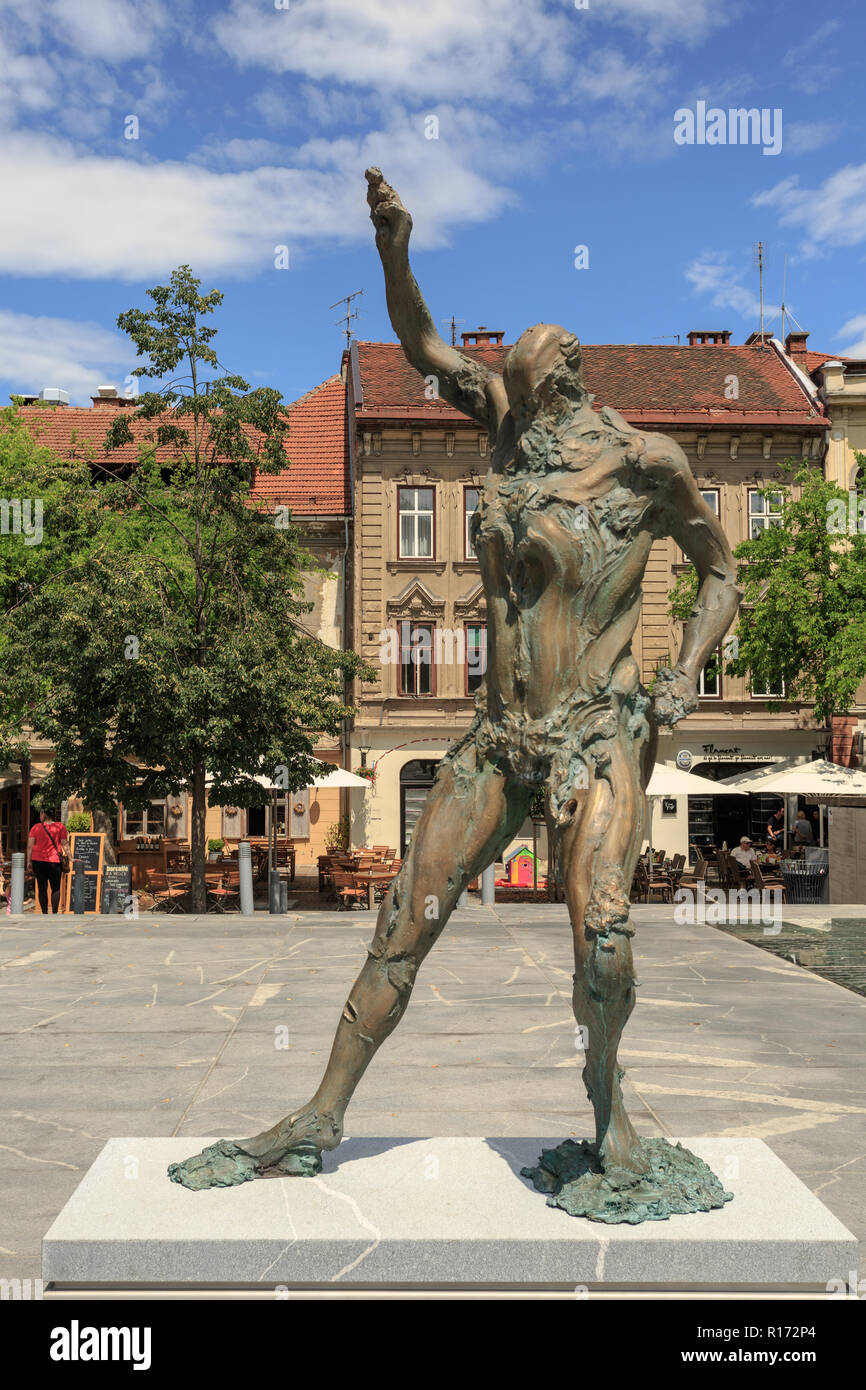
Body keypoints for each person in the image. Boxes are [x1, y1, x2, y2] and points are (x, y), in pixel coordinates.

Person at [170, 168, 741, 1196]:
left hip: (596, 730)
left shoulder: (646, 465)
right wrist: (394, 247)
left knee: (601, 933)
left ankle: (610, 1113)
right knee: (403, 925)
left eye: (519, 396)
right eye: (501, 400)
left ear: (562, 383)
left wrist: (687, 665)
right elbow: (422, 342)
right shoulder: (504, 425)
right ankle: (319, 1113)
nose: (503, 413)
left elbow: (721, 570)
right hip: (495, 736)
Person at [26, 809, 68, 914]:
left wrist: (28, 861)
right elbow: (65, 844)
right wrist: (71, 857)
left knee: (42, 888)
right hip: (55, 862)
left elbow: (30, 846)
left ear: (43, 814)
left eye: (40, 813)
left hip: (38, 861)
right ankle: (54, 912)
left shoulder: (35, 827)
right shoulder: (60, 826)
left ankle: (44, 912)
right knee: (56, 888)